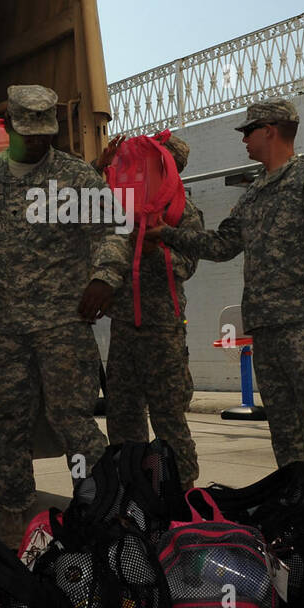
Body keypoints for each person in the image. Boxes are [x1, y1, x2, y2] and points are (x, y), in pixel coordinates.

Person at [0, 85, 130, 543]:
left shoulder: (78, 178)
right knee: (5, 428)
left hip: (63, 324)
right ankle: (15, 526)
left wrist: (105, 277)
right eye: (31, 134)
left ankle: (100, 514)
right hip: (4, 329)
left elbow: (111, 231)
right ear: (13, 128)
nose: (40, 142)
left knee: (74, 424)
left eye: (47, 134)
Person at [147, 100, 304, 470]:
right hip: (267, 330)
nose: (244, 140)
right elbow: (222, 246)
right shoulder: (253, 193)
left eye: (249, 131)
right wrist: (167, 234)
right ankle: (299, 509)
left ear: (270, 130)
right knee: (285, 431)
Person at [94, 133, 203, 485]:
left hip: (163, 330)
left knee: (169, 418)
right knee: (123, 417)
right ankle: (132, 493)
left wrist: (158, 249)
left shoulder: (183, 212)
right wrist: (101, 168)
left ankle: (182, 494)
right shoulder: (125, 205)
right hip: (124, 327)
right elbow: (89, 210)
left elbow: (187, 266)